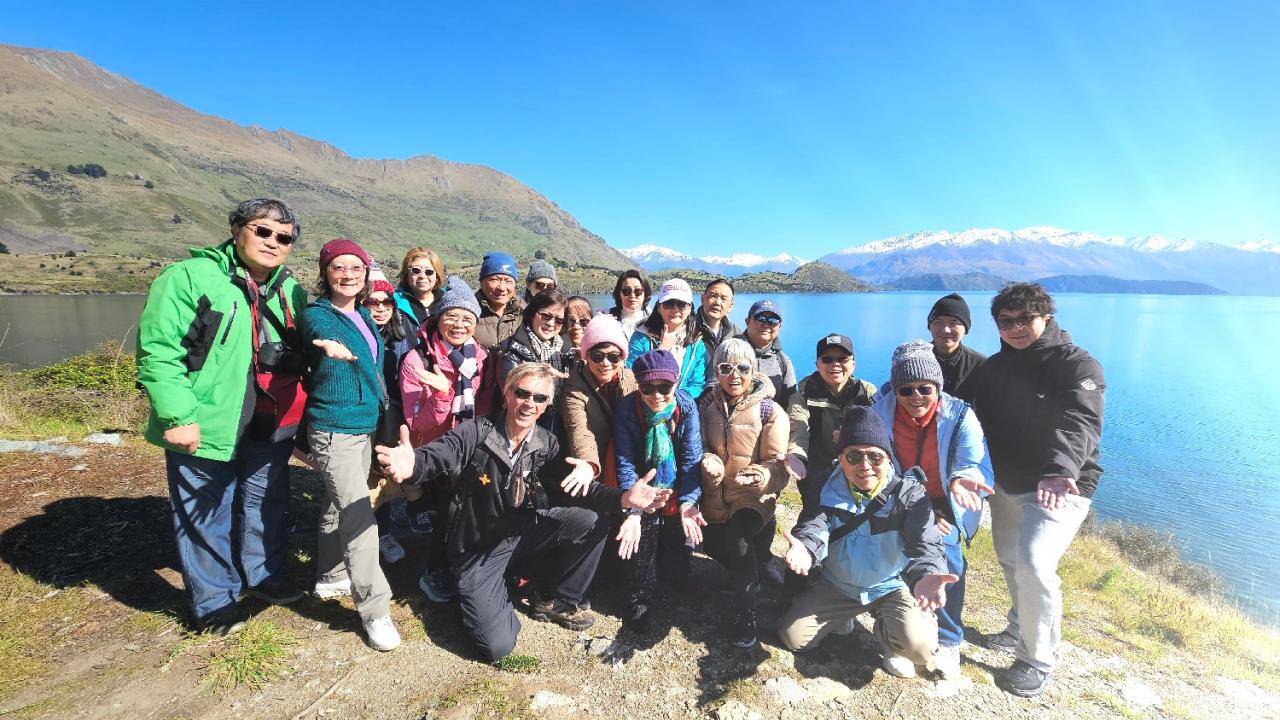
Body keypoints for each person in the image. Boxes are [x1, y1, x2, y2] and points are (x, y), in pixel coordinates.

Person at [375, 363, 670, 663]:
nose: (530, 403)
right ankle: (477, 588)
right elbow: (440, 454)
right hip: (479, 550)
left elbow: (582, 491)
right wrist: (413, 465)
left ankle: (556, 598)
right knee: (498, 646)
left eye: (539, 398)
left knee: (591, 522)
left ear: (546, 405)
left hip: (520, 533)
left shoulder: (546, 443)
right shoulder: (475, 433)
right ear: (507, 393)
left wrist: (624, 497)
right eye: (522, 393)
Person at [137, 198, 309, 635]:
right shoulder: (189, 278)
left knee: (264, 502)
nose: (272, 242)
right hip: (208, 420)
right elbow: (159, 352)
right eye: (262, 231)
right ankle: (214, 600)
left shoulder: (291, 291)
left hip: (269, 420)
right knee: (205, 511)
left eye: (283, 237)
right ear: (237, 231)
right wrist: (177, 415)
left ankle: (263, 575)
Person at [962, 282, 1105, 697]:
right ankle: (1016, 627)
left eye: (1024, 319)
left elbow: (1081, 421)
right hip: (1007, 482)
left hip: (1061, 485)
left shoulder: (1077, 365)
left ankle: (1036, 659)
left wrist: (1060, 468)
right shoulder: (993, 369)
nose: (1015, 328)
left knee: (1034, 563)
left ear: (1045, 316)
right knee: (1010, 559)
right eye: (1005, 322)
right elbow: (966, 415)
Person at [778, 407, 957, 679]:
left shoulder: (908, 494)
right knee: (793, 638)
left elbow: (927, 544)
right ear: (841, 459)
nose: (865, 466)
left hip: (890, 586)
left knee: (920, 649)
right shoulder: (825, 485)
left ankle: (889, 639)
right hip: (838, 584)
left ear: (888, 459)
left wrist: (927, 574)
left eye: (875, 456)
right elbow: (814, 526)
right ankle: (844, 617)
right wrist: (806, 548)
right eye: (854, 456)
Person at [870, 340, 994, 679]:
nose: (915, 397)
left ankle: (950, 639)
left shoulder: (961, 416)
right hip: (896, 497)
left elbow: (975, 461)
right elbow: (873, 462)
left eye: (925, 388)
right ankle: (893, 635)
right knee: (890, 553)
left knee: (949, 559)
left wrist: (963, 479)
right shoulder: (879, 412)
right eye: (905, 390)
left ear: (937, 386)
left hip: (945, 502)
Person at [300, 238, 400, 652]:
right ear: (325, 273)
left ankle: (330, 574)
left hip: (364, 423)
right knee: (359, 514)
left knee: (336, 502)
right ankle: (375, 610)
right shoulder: (318, 315)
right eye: (338, 268)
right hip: (334, 428)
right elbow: (317, 335)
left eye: (355, 269)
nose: (347, 275)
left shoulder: (362, 315)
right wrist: (326, 346)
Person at [400, 277, 498, 602]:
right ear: (438, 318)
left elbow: (482, 404)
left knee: (467, 508)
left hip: (467, 447)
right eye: (451, 316)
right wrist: (442, 394)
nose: (459, 324)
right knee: (446, 511)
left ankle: (463, 564)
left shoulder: (478, 359)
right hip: (435, 450)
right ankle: (434, 571)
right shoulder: (418, 361)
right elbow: (417, 422)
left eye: (467, 318)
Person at [696, 338, 790, 648]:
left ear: (753, 370)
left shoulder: (769, 411)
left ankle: (746, 610)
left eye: (743, 368)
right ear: (717, 371)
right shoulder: (705, 406)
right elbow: (699, 446)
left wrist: (764, 475)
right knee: (711, 544)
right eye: (726, 368)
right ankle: (747, 571)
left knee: (738, 541)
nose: (734, 375)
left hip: (753, 498)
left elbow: (778, 465)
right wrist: (708, 460)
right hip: (714, 496)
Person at [614, 350, 705, 632]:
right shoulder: (628, 410)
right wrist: (634, 506)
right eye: (648, 388)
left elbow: (692, 460)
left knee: (676, 552)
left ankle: (676, 568)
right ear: (638, 387)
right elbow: (625, 460)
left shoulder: (686, 407)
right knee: (643, 541)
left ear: (676, 384)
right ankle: (639, 597)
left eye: (665, 387)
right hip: (642, 486)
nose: (657, 396)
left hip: (676, 486)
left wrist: (689, 502)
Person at [365, 268, 419, 564]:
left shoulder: (401, 333)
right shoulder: (355, 333)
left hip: (391, 413)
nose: (381, 308)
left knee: (383, 469)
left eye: (386, 301)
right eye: (373, 302)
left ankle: (382, 531)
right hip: (361, 413)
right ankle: (363, 533)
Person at [785, 333, 877, 494]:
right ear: (817, 364)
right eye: (827, 359)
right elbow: (798, 427)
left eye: (842, 359)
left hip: (861, 471)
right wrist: (797, 456)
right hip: (818, 474)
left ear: (853, 364)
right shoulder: (802, 397)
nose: (835, 364)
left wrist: (851, 438)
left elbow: (881, 430)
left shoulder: (868, 393)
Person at [625, 278, 709, 400]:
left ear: (689, 308)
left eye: (681, 304)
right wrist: (662, 350)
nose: (675, 309)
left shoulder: (696, 343)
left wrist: (674, 399)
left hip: (680, 406)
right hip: (646, 404)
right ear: (659, 307)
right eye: (669, 303)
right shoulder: (641, 337)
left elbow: (697, 384)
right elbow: (633, 376)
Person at [736, 299, 796, 405]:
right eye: (760, 318)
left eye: (773, 320)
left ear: (779, 326)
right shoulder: (728, 353)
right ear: (747, 321)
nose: (766, 324)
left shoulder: (783, 362)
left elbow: (790, 402)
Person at [927, 293, 986, 395]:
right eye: (938, 322)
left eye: (953, 323)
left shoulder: (981, 365)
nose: (945, 330)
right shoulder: (914, 359)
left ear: (965, 328)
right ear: (930, 326)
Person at [473, 251, 523, 351]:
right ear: (481, 282)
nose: (502, 287)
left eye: (508, 281)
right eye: (495, 279)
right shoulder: (469, 311)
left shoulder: (526, 312)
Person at [393, 247, 447, 328]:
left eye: (429, 272)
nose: (422, 276)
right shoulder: (394, 303)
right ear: (406, 274)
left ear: (437, 276)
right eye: (416, 271)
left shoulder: (447, 303)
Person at [695, 278, 737, 358]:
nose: (717, 302)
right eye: (713, 296)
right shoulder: (688, 328)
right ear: (702, 299)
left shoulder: (735, 334)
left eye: (723, 299)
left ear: (730, 306)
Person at [608, 269, 651, 339]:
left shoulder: (654, 319)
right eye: (626, 291)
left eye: (638, 291)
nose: (632, 295)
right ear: (619, 293)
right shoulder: (606, 318)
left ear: (645, 294)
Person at [562, 295, 593, 362]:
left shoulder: (601, 353)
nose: (577, 326)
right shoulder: (555, 352)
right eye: (570, 321)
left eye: (584, 321)